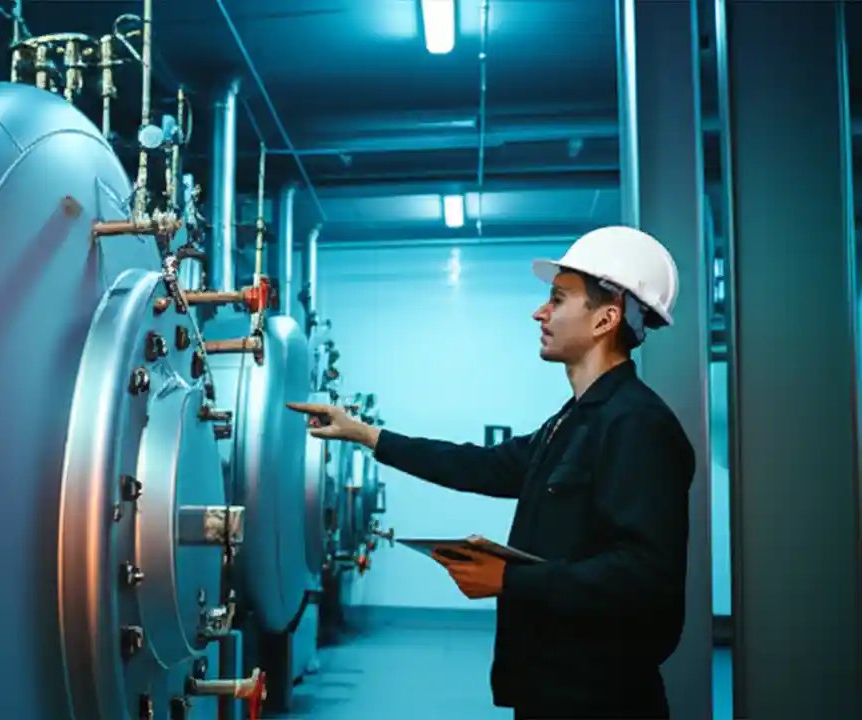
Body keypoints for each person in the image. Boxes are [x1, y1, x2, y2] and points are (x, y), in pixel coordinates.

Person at [288, 226, 695, 720]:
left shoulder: (637, 424)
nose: (539, 312)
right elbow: (484, 465)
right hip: (551, 686)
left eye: (558, 299)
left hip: (600, 697)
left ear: (605, 319)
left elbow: (645, 578)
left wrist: (510, 579)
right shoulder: (574, 419)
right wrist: (366, 435)